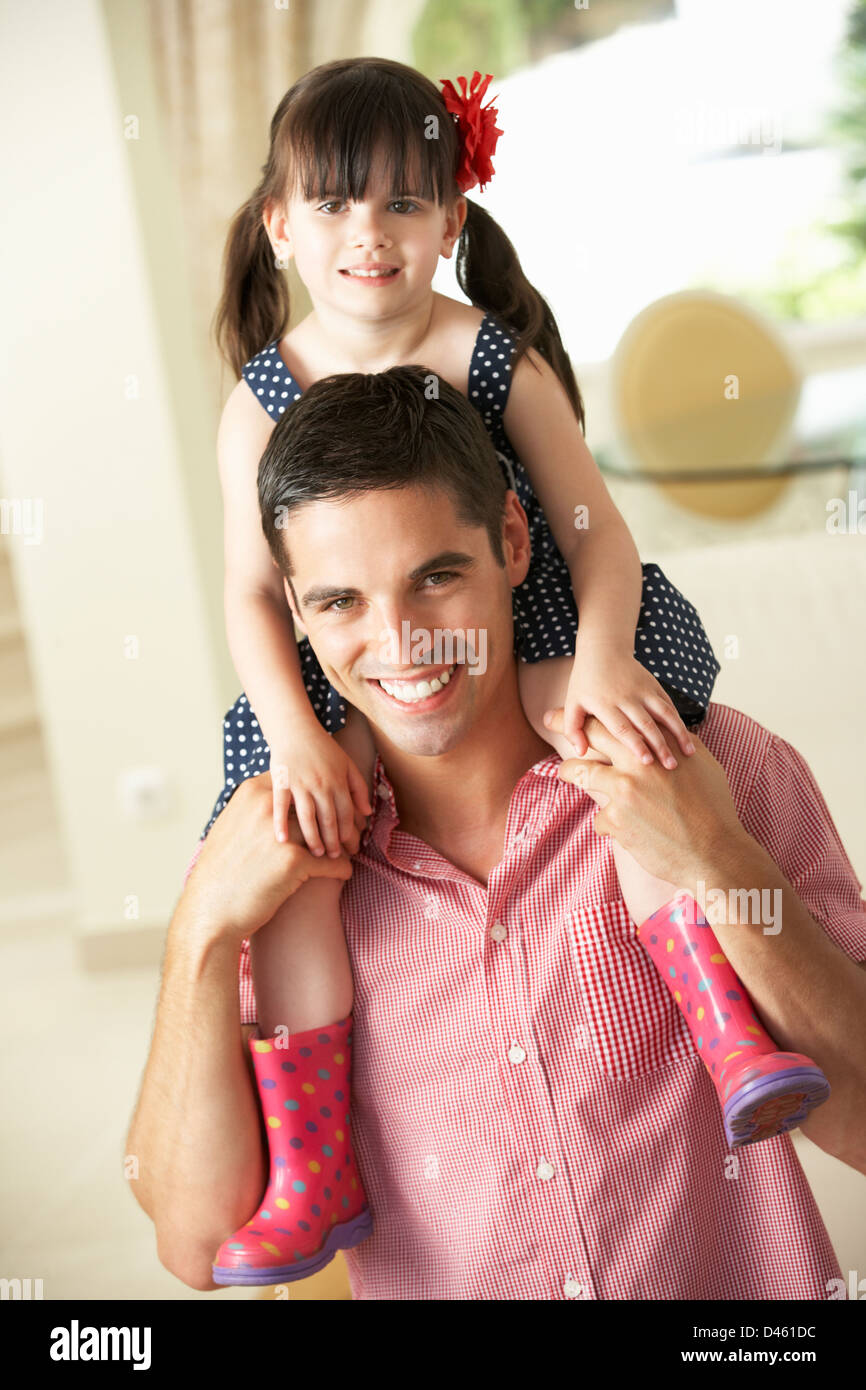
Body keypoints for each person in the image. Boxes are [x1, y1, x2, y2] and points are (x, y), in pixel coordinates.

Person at [191, 56, 826, 1284]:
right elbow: (249, 591)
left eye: (400, 204)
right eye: (330, 204)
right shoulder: (261, 398)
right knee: (306, 866)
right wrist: (296, 735)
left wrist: (594, 665)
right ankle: (317, 1159)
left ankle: (723, 1031)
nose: (366, 235)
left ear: (449, 221)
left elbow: (593, 530)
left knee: (622, 766)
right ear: (279, 223)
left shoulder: (488, 355)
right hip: (344, 677)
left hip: (527, 633)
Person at [126, 365, 866, 1300]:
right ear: (294, 610)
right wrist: (199, 933)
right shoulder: (271, 872)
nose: (402, 645)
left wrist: (716, 861)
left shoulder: (715, 769)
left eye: (436, 577)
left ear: (513, 540)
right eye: (340, 602)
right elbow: (196, 1248)